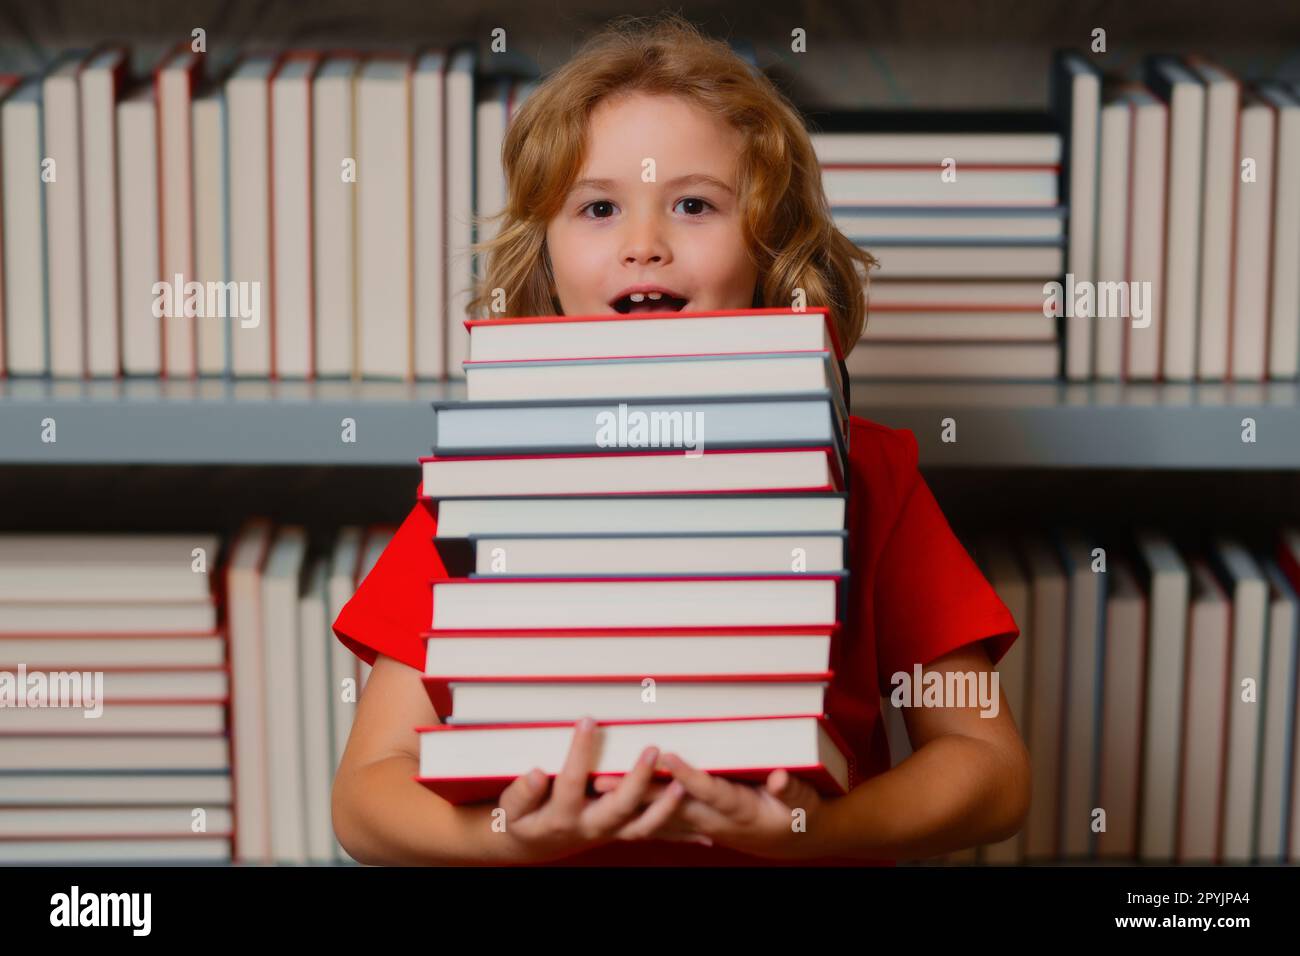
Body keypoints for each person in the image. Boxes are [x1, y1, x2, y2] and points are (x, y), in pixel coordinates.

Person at [331, 13, 1029, 866]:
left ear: (770, 247)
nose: (643, 245)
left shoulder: (872, 473)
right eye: (598, 207)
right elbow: (367, 793)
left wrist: (823, 831)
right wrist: (508, 838)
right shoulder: (485, 478)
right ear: (543, 261)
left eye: (694, 203)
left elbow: (990, 769)